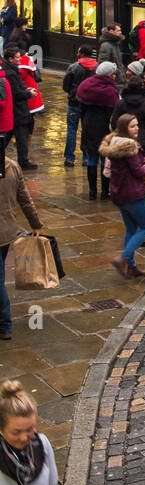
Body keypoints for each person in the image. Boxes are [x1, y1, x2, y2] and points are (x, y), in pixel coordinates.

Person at [100, 112, 145, 280]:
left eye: (137, 125)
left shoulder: (115, 143)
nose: (136, 128)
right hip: (133, 194)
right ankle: (123, 257)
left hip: (119, 193)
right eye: (132, 126)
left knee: (131, 228)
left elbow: (130, 166)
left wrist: (144, 160)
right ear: (124, 128)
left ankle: (131, 267)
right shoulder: (130, 147)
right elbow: (137, 171)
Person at [0, 145, 45, 342]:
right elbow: (25, 200)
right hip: (6, 231)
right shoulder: (12, 167)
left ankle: (4, 325)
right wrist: (36, 224)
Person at [76, 62, 120, 200]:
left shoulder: (86, 85)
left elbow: (81, 109)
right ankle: (105, 191)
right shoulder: (110, 91)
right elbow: (112, 112)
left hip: (89, 124)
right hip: (103, 127)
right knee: (105, 159)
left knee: (92, 159)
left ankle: (92, 191)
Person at [61, 44, 97, 167]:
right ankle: (86, 158)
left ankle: (69, 158)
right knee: (86, 130)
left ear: (81, 53)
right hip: (90, 103)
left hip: (74, 102)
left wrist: (71, 93)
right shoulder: (96, 68)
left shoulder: (73, 67)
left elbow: (66, 85)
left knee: (71, 129)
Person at [1, 50, 35, 171]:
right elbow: (16, 92)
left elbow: (19, 86)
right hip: (17, 111)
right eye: (18, 57)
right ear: (11, 59)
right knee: (21, 137)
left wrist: (26, 89)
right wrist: (28, 93)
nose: (20, 59)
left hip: (14, 111)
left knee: (9, 136)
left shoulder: (10, 70)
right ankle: (24, 162)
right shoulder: (10, 73)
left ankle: (23, 161)